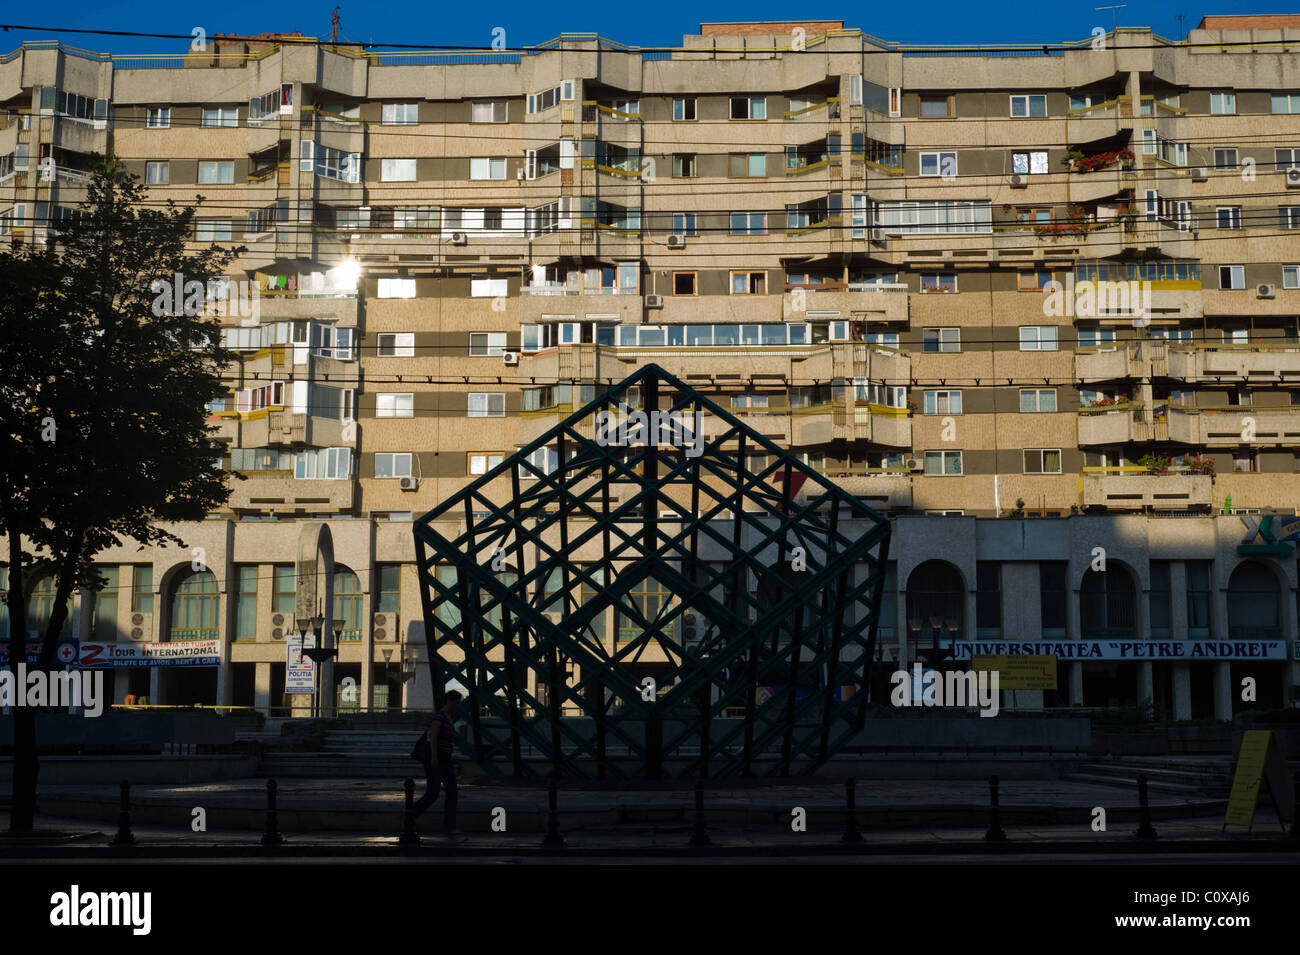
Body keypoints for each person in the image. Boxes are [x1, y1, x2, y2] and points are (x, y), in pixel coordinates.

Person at [412, 690, 461, 832]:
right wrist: (434, 757)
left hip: (445, 757)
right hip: (437, 758)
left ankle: (449, 825)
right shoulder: (439, 716)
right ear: (450, 701)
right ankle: (410, 815)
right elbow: (433, 736)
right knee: (433, 792)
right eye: (457, 703)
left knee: (451, 791)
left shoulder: (448, 717)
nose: (458, 706)